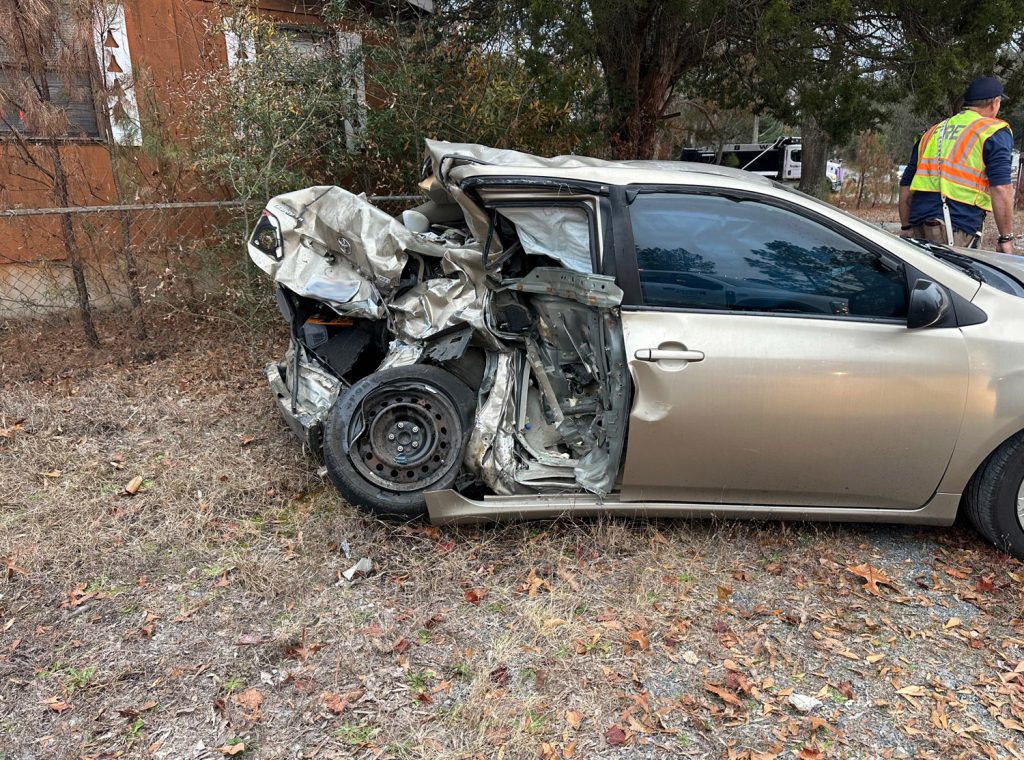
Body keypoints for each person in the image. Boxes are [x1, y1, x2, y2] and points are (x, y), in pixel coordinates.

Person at [898, 76, 1015, 253]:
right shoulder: (993, 131)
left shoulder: (933, 131)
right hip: (958, 225)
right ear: (994, 103)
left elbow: (906, 184)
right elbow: (1001, 188)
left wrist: (906, 227)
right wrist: (1005, 238)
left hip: (918, 222)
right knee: (953, 271)